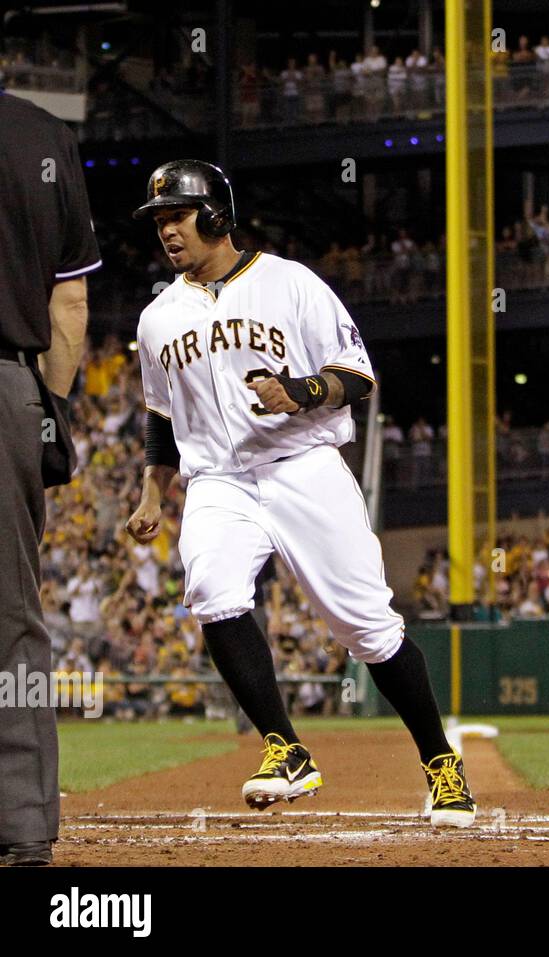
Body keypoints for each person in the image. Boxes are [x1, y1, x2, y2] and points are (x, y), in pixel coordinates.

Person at [123, 159, 474, 826]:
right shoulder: (156, 318)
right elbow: (161, 416)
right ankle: (284, 747)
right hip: (219, 480)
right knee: (211, 585)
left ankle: (440, 761)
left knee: (368, 627)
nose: (166, 230)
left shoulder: (290, 284)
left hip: (301, 465)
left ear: (217, 215)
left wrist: (301, 392)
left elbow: (356, 374)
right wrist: (151, 490)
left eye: (178, 215)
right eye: (159, 220)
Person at [0, 87, 100, 867]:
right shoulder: (41, 132)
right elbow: (69, 300)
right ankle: (25, 823)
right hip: (7, 388)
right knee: (12, 618)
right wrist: (48, 410)